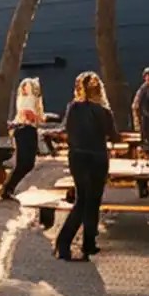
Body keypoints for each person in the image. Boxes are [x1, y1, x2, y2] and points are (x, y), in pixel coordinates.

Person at [55, 72, 119, 261]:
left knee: (81, 199)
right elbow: (113, 135)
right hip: (97, 157)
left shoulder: (73, 108)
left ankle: (68, 243)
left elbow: (68, 130)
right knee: (93, 201)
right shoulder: (104, 112)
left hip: (77, 157)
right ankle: (84, 242)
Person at [2, 78, 45, 200]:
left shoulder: (28, 98)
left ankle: (8, 188)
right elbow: (29, 115)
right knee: (25, 163)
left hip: (26, 129)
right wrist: (37, 118)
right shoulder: (27, 99)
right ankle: (7, 188)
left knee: (26, 164)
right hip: (25, 129)